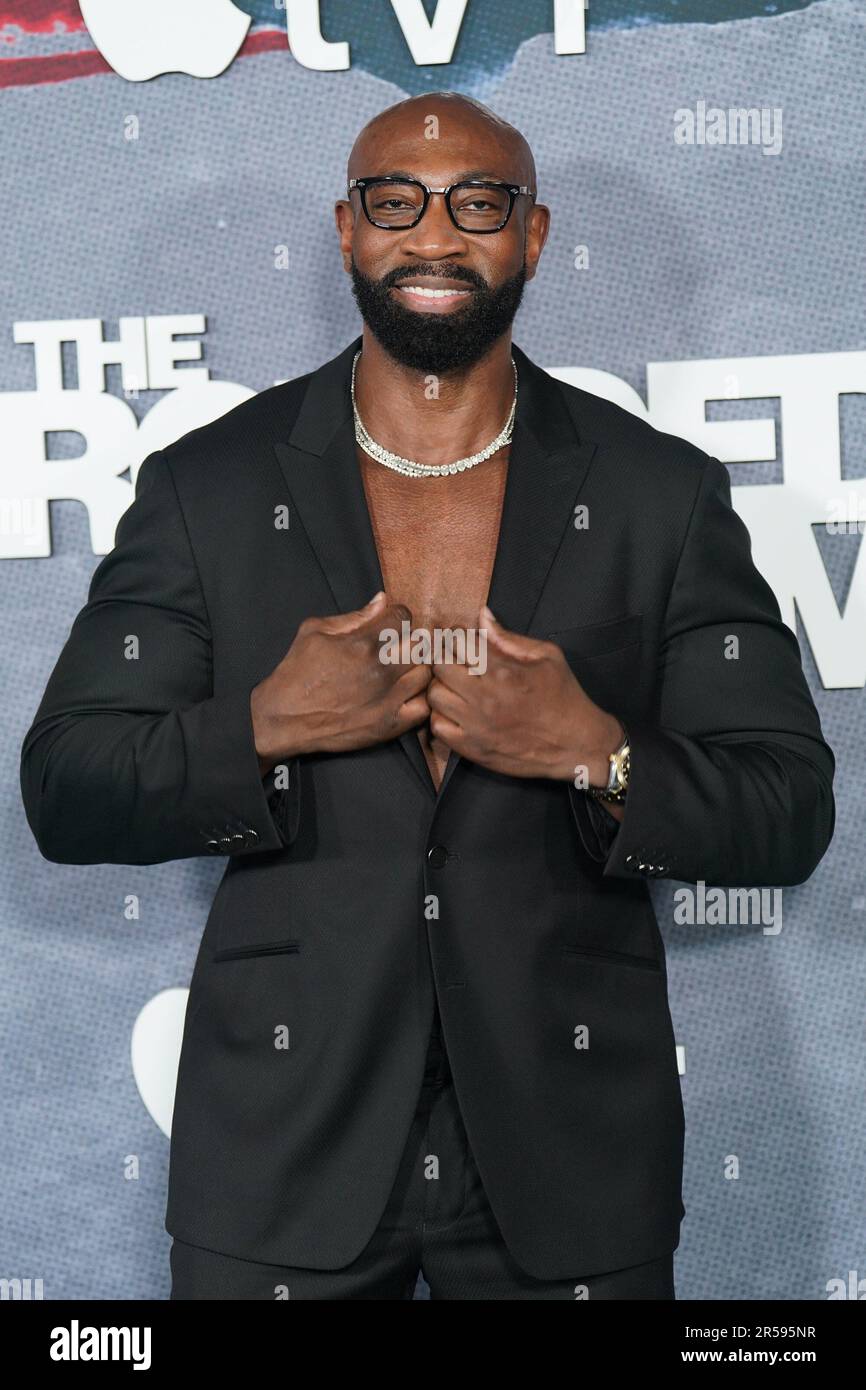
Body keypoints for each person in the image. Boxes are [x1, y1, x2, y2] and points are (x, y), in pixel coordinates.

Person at [20, 91, 835, 1300]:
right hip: (284, 1154)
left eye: (478, 205)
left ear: (535, 236)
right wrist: (264, 726)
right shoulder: (213, 487)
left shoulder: (658, 494)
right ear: (347, 231)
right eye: (394, 202)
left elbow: (785, 808)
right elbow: (69, 786)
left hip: (568, 1154)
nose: (435, 236)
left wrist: (599, 754)